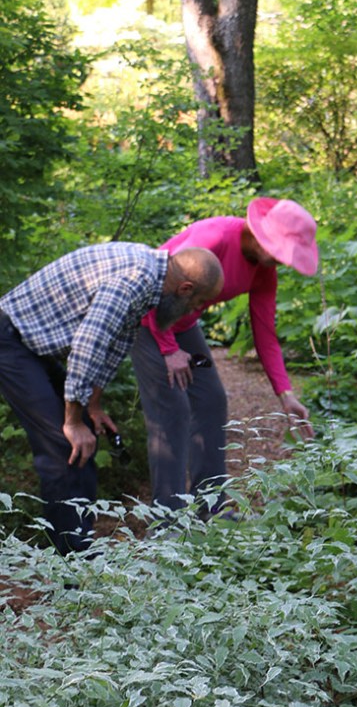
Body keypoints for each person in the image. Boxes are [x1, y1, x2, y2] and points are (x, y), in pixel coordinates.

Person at [0, 242, 223, 555]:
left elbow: (114, 345)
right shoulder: (136, 280)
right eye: (196, 303)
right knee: (65, 445)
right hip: (11, 340)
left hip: (30, 344)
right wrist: (72, 420)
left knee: (83, 440)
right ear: (185, 288)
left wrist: (92, 407)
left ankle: (80, 549)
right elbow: (89, 343)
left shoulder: (152, 278)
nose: (192, 312)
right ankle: (70, 565)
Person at [130, 197, 319, 515]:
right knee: (172, 409)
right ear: (263, 235)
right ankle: (167, 522)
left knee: (211, 399)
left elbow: (265, 334)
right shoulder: (214, 238)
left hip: (183, 325)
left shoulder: (263, 271)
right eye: (282, 251)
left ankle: (210, 508)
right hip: (147, 320)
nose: (284, 262)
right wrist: (168, 349)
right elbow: (157, 288)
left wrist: (285, 394)